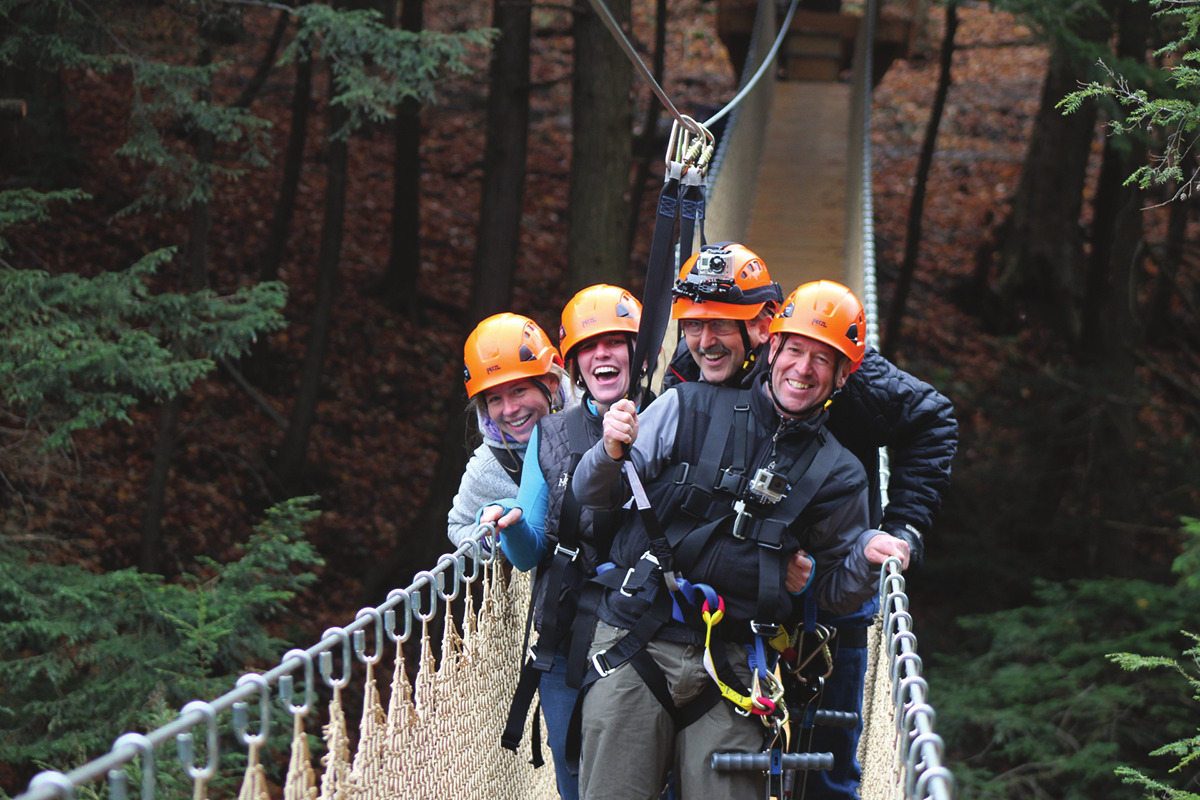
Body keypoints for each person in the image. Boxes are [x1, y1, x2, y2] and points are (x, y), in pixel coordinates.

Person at [569, 281, 912, 800]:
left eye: (824, 359)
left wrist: (864, 559)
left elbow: (832, 595)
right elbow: (594, 494)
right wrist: (609, 451)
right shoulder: (687, 405)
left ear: (843, 375)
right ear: (771, 347)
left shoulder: (840, 474)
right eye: (795, 348)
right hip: (638, 638)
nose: (803, 368)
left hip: (736, 664)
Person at [662, 243, 958, 799]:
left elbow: (931, 419)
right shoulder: (687, 375)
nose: (706, 341)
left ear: (763, 325)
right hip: (734, 598)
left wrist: (901, 529)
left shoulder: (827, 361)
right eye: (694, 324)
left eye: (723, 324)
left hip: (828, 596)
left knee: (822, 769)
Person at [480, 285, 645, 800]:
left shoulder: (671, 418)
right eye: (589, 346)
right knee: (574, 782)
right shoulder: (550, 437)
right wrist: (509, 527)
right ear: (574, 364)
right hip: (567, 635)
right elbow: (531, 553)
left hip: (647, 636)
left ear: (637, 354)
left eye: (615, 341)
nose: (602, 354)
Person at [447, 312, 573, 548]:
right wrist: (496, 534)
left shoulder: (596, 415)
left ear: (551, 382)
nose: (510, 409)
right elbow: (457, 526)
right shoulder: (488, 468)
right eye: (495, 399)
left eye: (519, 391)